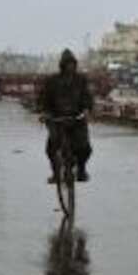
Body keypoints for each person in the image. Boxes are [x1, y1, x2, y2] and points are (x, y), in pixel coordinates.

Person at [39, 49, 94, 183]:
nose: (70, 66)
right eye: (68, 64)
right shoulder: (52, 81)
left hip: (77, 118)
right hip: (56, 119)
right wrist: (44, 113)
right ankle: (55, 174)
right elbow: (44, 99)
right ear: (62, 65)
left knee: (85, 148)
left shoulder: (81, 80)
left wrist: (87, 110)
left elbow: (87, 97)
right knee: (51, 148)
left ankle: (81, 169)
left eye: (72, 64)